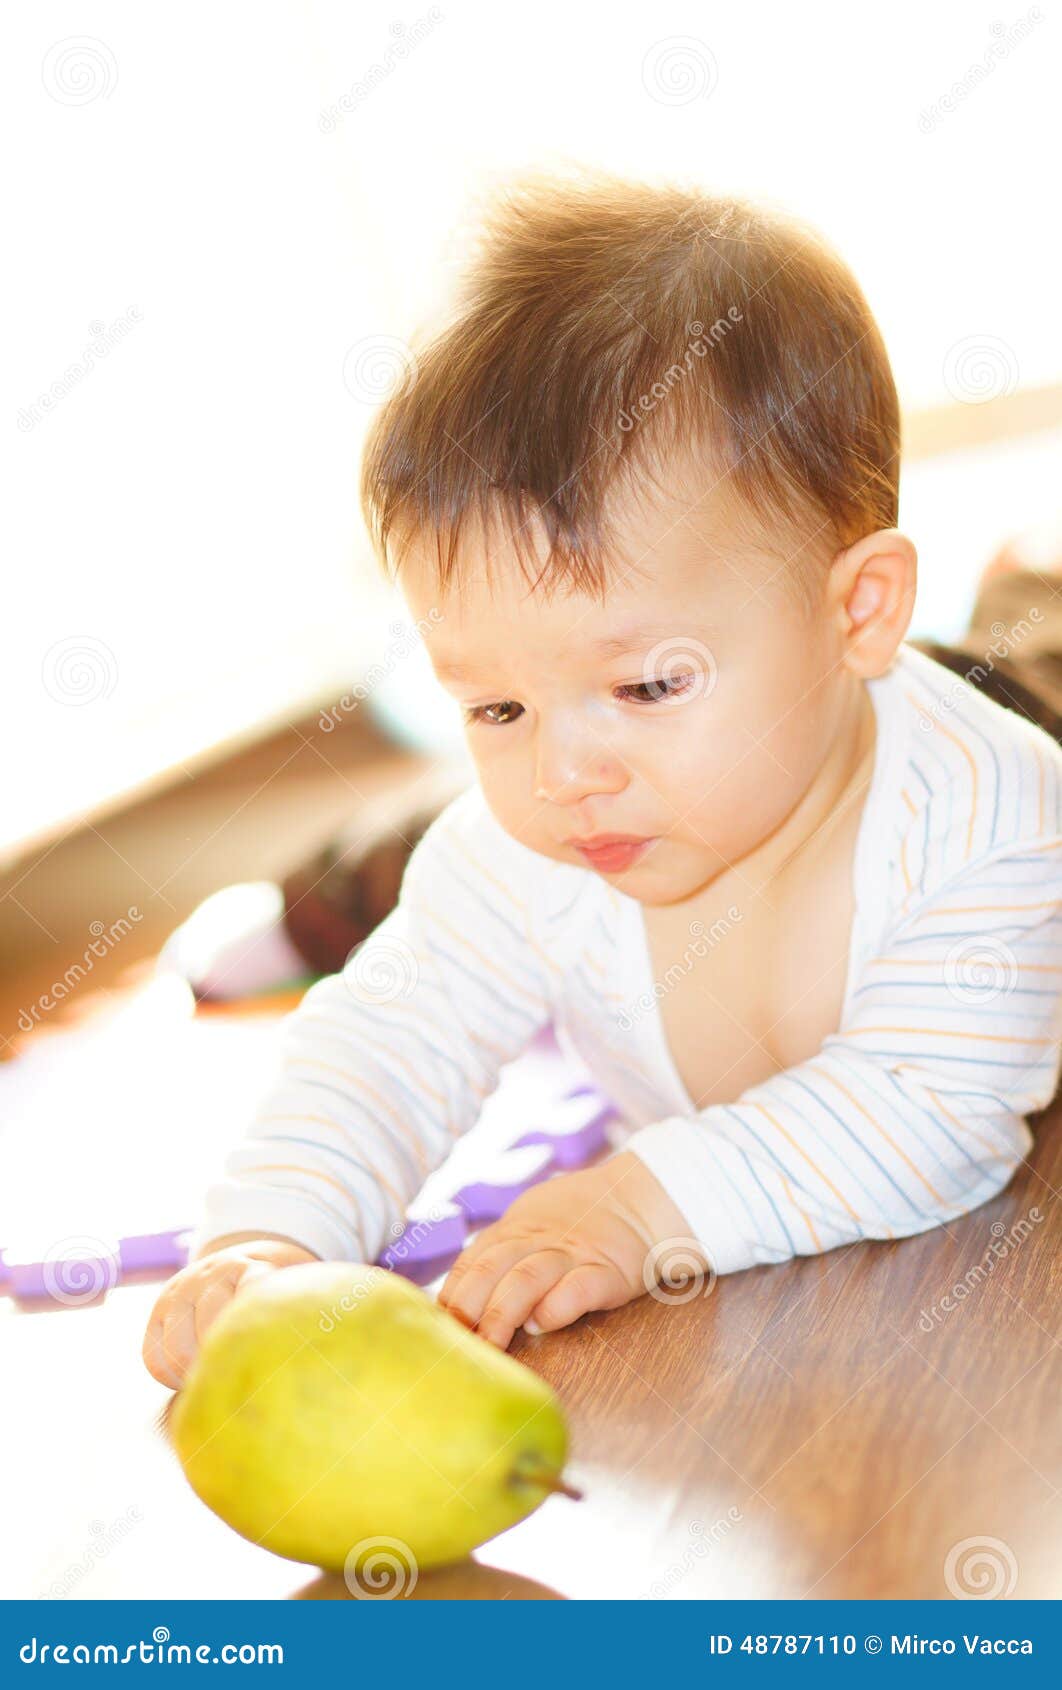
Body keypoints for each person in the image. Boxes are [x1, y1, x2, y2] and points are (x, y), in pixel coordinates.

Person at [143, 174, 1062, 1389]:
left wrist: (636, 1209)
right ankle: (315, 897)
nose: (565, 769)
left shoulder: (993, 817)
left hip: (1007, 696)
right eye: (493, 705)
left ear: (857, 609)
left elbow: (926, 1114)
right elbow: (388, 1041)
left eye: (645, 686)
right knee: (447, 845)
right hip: (712, 769)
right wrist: (274, 1232)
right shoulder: (556, 814)